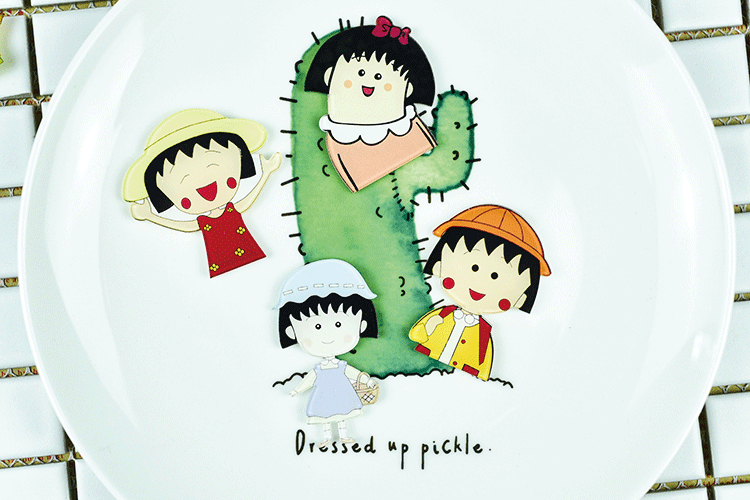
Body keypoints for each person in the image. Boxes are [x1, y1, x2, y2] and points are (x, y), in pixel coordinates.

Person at [122, 109, 281, 278]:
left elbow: (246, 202)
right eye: (186, 200)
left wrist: (266, 173)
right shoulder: (205, 221)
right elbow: (186, 226)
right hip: (221, 264)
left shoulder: (229, 211)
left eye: (229, 180)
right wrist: (150, 216)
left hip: (250, 256)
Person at [409, 205, 551, 381]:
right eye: (474, 268)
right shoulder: (442, 316)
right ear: (439, 264)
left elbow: (483, 366)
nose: (480, 283)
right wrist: (430, 325)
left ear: (522, 297)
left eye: (495, 276)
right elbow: (416, 335)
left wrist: (484, 377)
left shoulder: (483, 332)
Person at [305, 15, 437, 192]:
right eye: (360, 73)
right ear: (329, 78)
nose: (369, 83)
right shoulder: (341, 141)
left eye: (379, 77)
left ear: (408, 89)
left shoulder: (410, 131)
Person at [277, 259, 378, 447]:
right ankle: (326, 438)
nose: (328, 335)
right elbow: (310, 379)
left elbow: (354, 374)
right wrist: (297, 390)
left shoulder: (341, 366)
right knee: (325, 417)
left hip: (341, 395)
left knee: (341, 415)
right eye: (316, 326)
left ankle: (343, 435)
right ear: (291, 331)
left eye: (339, 324)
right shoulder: (319, 368)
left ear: (363, 324)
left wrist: (367, 381)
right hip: (324, 398)